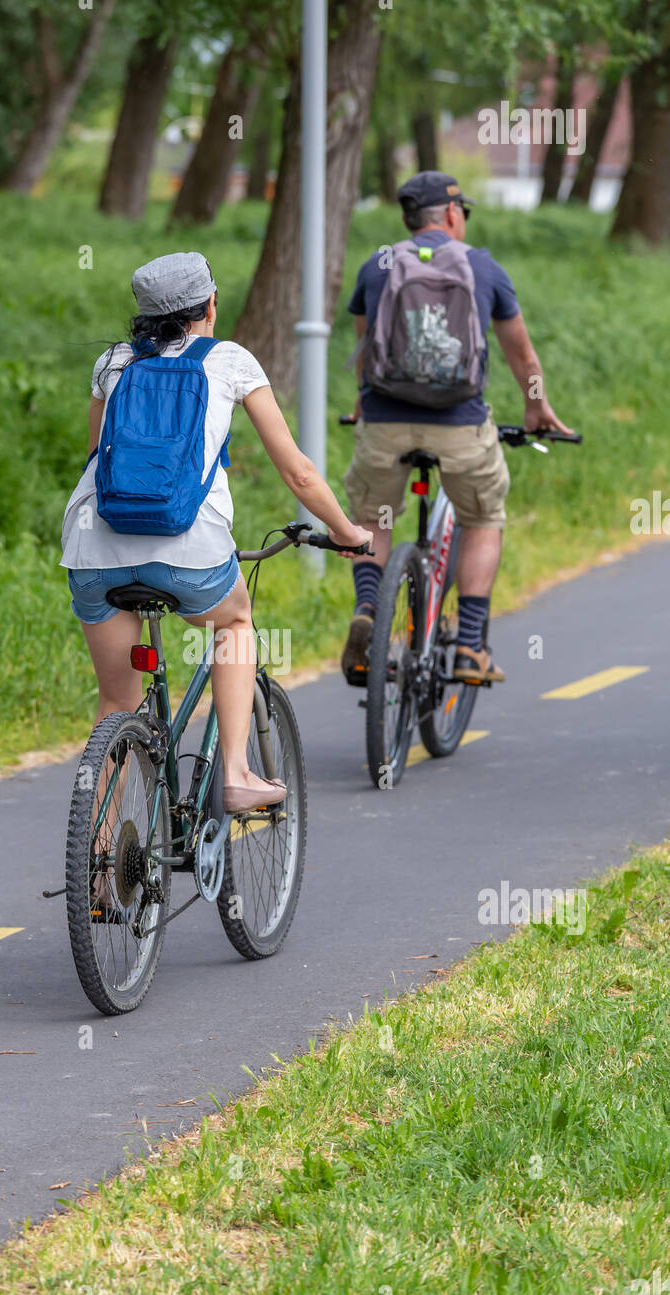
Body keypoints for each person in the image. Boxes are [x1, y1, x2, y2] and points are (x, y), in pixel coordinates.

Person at [62, 252, 371, 813]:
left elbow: (93, 459)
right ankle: (235, 773)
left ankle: (102, 868)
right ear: (208, 305)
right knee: (234, 620)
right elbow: (297, 471)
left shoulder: (113, 363)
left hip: (93, 548)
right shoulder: (228, 360)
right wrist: (347, 532)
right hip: (188, 550)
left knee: (115, 701)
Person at [341, 170, 571, 686]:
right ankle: (470, 647)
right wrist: (537, 409)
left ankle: (369, 610)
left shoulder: (377, 266)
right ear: (450, 214)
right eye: (462, 211)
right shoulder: (483, 267)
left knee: (371, 515)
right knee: (484, 514)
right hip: (459, 427)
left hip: (384, 423)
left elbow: (364, 351)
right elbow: (522, 356)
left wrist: (363, 401)